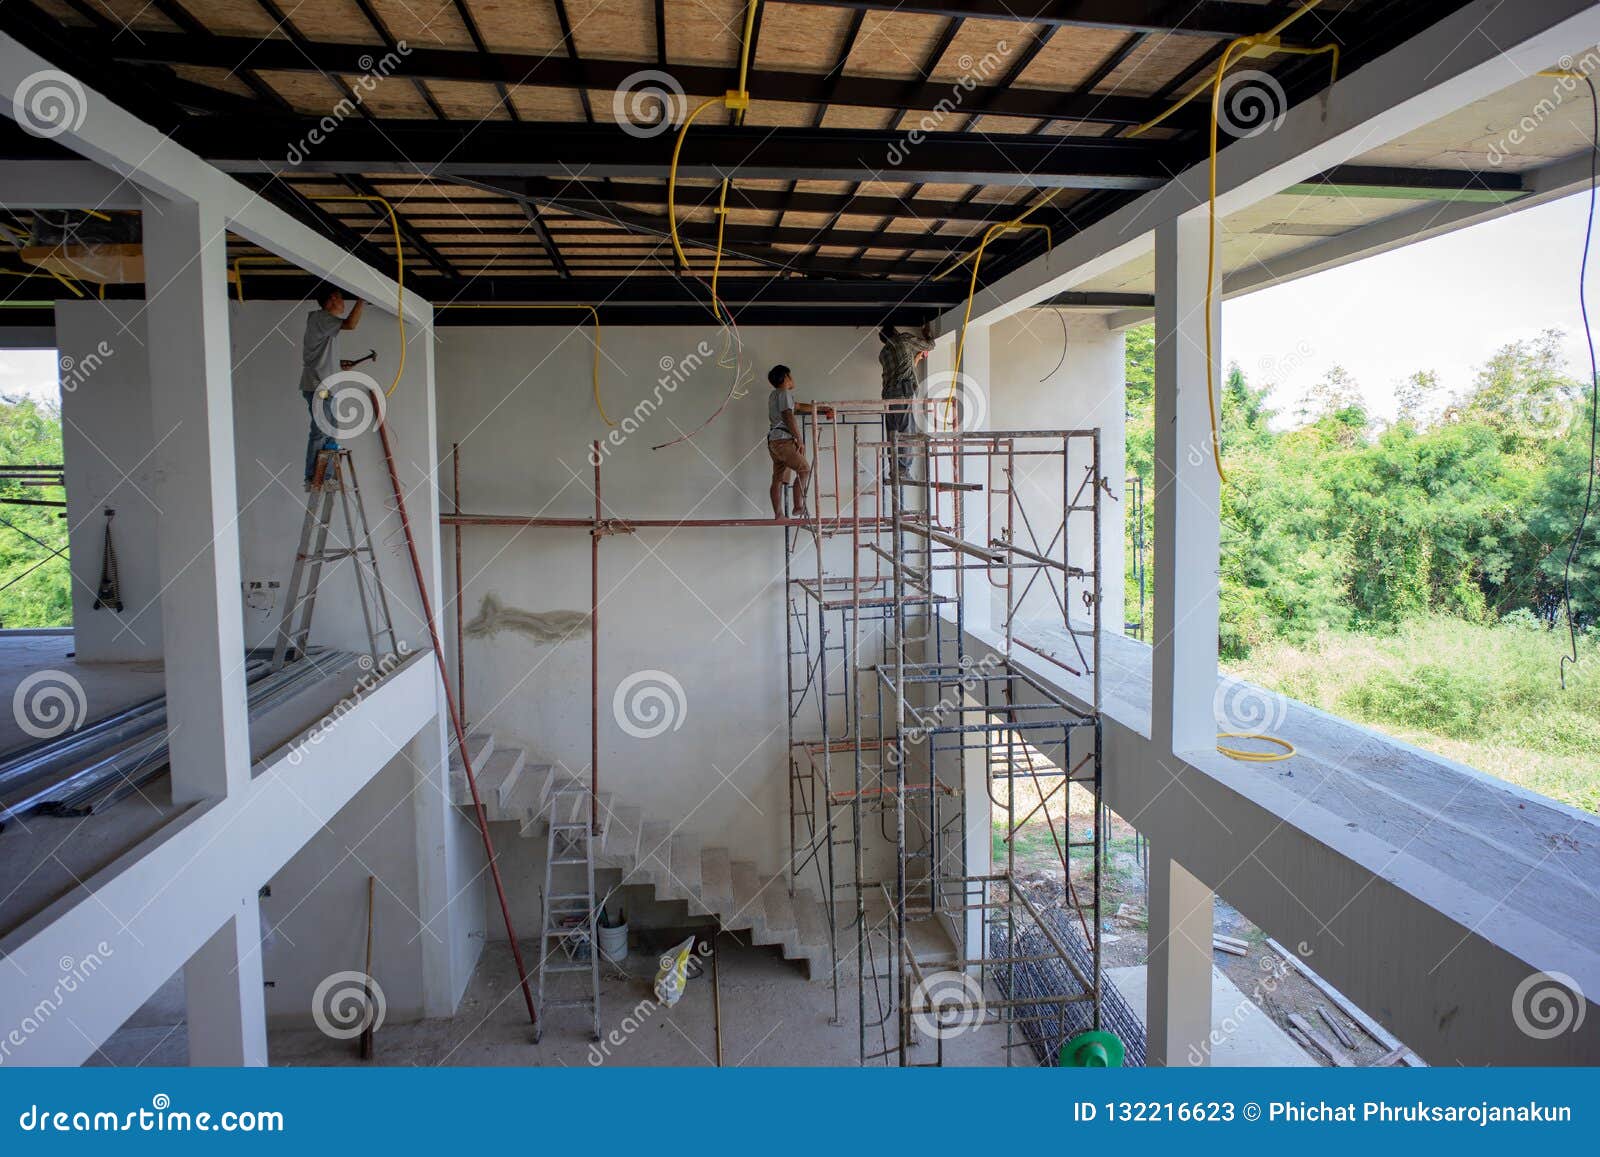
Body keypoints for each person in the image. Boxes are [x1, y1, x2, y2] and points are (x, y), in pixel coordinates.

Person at [299, 285, 365, 489]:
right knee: (321, 430)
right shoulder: (321, 318)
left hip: (323, 385)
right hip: (319, 386)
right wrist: (362, 300)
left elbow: (319, 355)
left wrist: (338, 365)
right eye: (341, 298)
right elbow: (351, 324)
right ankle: (314, 477)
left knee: (330, 430)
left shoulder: (322, 322)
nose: (343, 303)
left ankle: (325, 476)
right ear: (331, 300)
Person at [878, 323, 934, 481]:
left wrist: (915, 359)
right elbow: (931, 345)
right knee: (907, 432)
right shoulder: (904, 340)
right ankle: (902, 470)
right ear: (896, 332)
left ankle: (895, 469)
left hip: (889, 397)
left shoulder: (883, 354)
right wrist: (927, 333)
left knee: (893, 434)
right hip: (904, 394)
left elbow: (901, 371)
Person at [766, 364, 810, 520]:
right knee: (804, 470)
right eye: (791, 375)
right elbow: (788, 415)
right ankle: (798, 507)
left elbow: (797, 407)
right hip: (784, 441)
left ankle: (778, 515)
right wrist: (799, 439)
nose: (793, 379)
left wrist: (821, 408)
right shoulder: (784, 393)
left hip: (774, 441)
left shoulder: (775, 395)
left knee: (777, 478)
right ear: (786, 377)